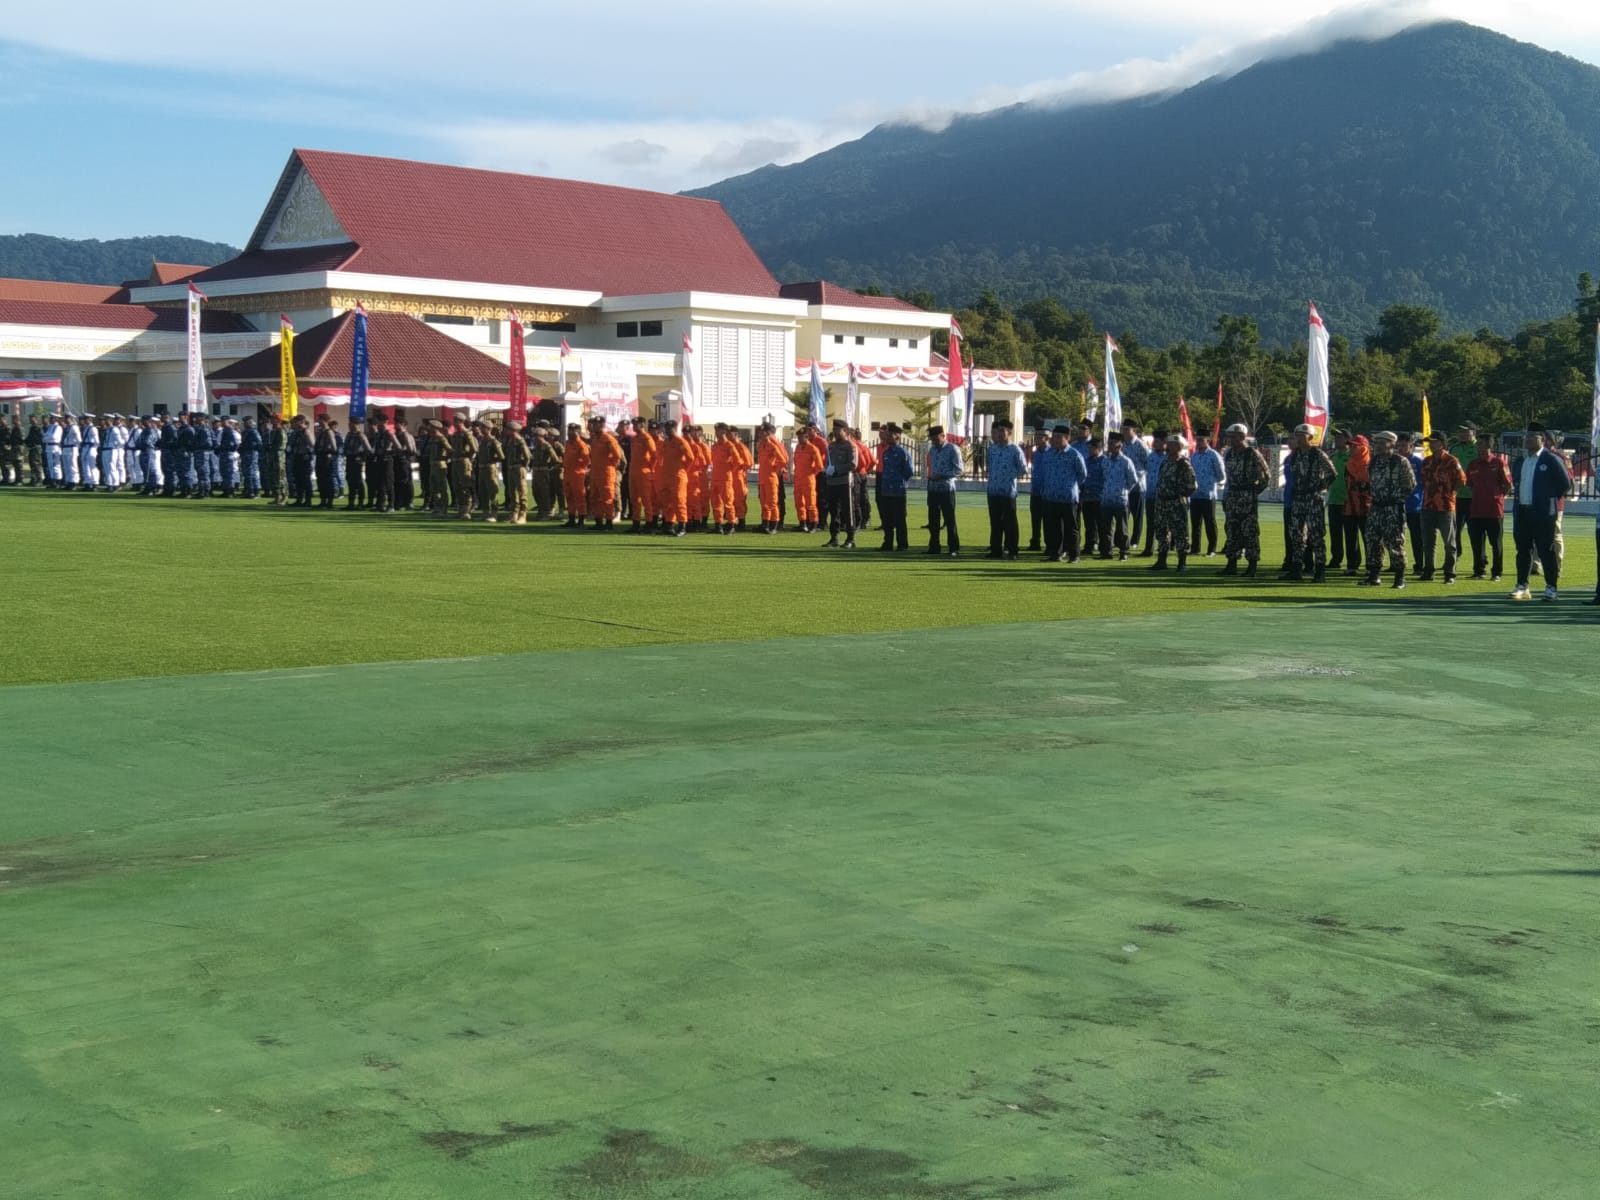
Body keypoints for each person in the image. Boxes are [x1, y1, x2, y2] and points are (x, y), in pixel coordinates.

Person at [1510, 425, 1571, 601]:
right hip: (1523, 511)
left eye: (1532, 437)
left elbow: (1565, 483)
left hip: (1543, 513)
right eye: (1526, 437)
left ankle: (1551, 587)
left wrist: (1547, 499)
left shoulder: (1550, 459)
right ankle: (1522, 585)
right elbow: (1516, 481)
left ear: (1542, 439)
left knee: (1546, 550)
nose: (1527, 440)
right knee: (1522, 549)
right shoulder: (1521, 460)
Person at [1360, 431, 1415, 589]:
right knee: (1372, 541)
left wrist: (1397, 499)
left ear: (1391, 444)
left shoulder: (1400, 461)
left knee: (1395, 542)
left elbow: (1410, 485)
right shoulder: (1374, 461)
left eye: (1381, 443)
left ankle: (1399, 578)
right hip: (1376, 506)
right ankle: (1374, 575)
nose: (1377, 446)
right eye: (1376, 443)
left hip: (1392, 507)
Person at [1282, 425, 1335, 582]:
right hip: (1298, 499)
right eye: (1296, 435)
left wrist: (1321, 486)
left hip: (1313, 498)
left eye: (1302, 435)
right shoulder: (1294, 455)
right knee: (1296, 535)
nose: (1298, 438)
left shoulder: (1317, 454)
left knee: (1316, 535)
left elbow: (1332, 473)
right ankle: (1296, 568)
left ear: (1310, 438)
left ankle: (1320, 571)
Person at [1218, 424, 1271, 577]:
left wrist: (1254, 491)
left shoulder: (1252, 453)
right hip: (1232, 495)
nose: (1230, 439)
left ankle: (1252, 565)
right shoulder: (1229, 454)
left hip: (1247, 497)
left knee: (1250, 532)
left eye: (1233, 436)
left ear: (1242, 437)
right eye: (1229, 436)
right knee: (1231, 530)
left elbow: (1266, 476)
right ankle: (1231, 563)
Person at [1418, 430, 1466, 583]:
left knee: (1449, 543)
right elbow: (1422, 479)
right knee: (1428, 542)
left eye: (1434, 442)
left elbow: (1461, 480)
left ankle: (1449, 573)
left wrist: (1450, 492)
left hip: (1445, 507)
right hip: (1428, 505)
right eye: (1430, 442)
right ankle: (1428, 570)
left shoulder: (1451, 461)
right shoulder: (1427, 461)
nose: (1431, 445)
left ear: (1442, 443)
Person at [1465, 431, 1512, 581]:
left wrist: (1497, 496)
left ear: (1488, 446)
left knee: (1496, 543)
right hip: (1476, 509)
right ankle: (1479, 570)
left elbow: (1508, 484)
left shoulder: (1499, 463)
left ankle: (1497, 572)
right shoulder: (1473, 464)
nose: (1477, 447)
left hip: (1494, 510)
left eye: (1480, 444)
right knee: (1476, 542)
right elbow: (1470, 484)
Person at [1150, 431, 1196, 570]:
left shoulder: (1183, 463)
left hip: (1176, 502)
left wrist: (1180, 494)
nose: (1168, 446)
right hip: (1162, 502)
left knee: (1180, 532)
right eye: (1168, 443)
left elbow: (1192, 485)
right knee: (1161, 531)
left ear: (1179, 446)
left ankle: (1182, 562)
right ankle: (1162, 560)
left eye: (1171, 444)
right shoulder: (1165, 462)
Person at [982, 420, 1028, 560]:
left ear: (1009, 433)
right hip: (993, 490)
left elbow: (1023, 469)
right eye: (999, 430)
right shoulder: (992, 449)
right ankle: (996, 549)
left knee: (1010, 523)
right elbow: (989, 466)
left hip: (1008, 491)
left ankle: (1012, 549)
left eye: (1003, 431)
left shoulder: (1015, 450)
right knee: (995, 522)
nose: (1000, 433)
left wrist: (1009, 475)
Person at [1097, 431, 1141, 559]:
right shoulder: (1105, 461)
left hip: (1120, 499)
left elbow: (1133, 480)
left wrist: (1125, 490)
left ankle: (1124, 552)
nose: (1109, 446)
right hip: (1106, 498)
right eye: (1108, 443)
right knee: (1105, 529)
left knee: (1122, 529)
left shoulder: (1126, 461)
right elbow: (1102, 477)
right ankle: (1106, 552)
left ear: (1119, 445)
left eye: (1112, 443)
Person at [924, 424, 963, 558]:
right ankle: (934, 546)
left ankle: (953, 547)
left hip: (946, 489)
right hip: (933, 488)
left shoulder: (953, 449)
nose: (934, 441)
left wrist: (942, 474)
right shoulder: (933, 450)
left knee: (949, 519)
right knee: (933, 519)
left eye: (936, 438)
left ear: (942, 436)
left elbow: (959, 470)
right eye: (932, 439)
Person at [875, 423, 914, 551]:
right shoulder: (885, 453)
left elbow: (909, 471)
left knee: (900, 519)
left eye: (890, 434)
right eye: (886, 434)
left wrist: (900, 482)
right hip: (886, 490)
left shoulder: (903, 452)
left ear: (897, 437)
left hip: (898, 490)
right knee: (887, 519)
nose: (886, 436)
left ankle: (902, 544)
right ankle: (888, 543)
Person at [821, 421, 859, 548]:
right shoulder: (831, 446)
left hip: (845, 482)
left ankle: (850, 538)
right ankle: (834, 538)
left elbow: (853, 464)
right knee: (833, 511)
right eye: (834, 429)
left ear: (845, 431)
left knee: (848, 511)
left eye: (838, 430)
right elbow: (827, 462)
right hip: (832, 482)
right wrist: (827, 469)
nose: (836, 432)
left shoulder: (850, 446)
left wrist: (837, 469)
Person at [1340, 433, 1371, 575]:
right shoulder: (1349, 464)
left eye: (1355, 446)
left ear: (1363, 447)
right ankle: (1352, 565)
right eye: (1350, 446)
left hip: (1367, 506)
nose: (1351, 448)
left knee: (1369, 537)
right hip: (1350, 505)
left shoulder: (1372, 464)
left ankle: (1372, 565)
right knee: (1351, 537)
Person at [1188, 432, 1224, 556]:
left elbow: (1221, 474)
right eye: (1197, 440)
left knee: (1210, 522)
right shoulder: (1194, 456)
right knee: (1195, 523)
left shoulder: (1214, 455)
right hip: (1195, 494)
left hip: (1208, 494)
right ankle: (1195, 548)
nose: (1198, 442)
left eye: (1201, 440)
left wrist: (1212, 481)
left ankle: (1211, 549)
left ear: (1207, 440)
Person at [587, 415, 625, 529]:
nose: (595, 426)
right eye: (594, 424)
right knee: (595, 498)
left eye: (598, 424)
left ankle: (608, 522)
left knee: (607, 498)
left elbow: (617, 455)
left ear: (603, 425)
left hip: (606, 473)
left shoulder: (608, 439)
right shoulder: (594, 439)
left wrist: (610, 466)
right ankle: (598, 521)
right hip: (595, 473)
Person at [1396, 432, 1426, 571]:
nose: (1401, 448)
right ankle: (1396, 563)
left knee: (1417, 537)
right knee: (1395, 537)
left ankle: (1419, 564)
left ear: (1411, 446)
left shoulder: (1418, 462)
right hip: (1397, 504)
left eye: (1404, 445)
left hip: (1415, 505)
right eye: (1399, 445)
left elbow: (1425, 482)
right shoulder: (1394, 461)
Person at [656, 419, 691, 536]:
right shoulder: (666, 442)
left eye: (670, 429)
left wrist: (682, 469)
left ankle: (682, 526)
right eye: (666, 429)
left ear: (675, 429)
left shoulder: (680, 442)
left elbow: (690, 458)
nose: (667, 431)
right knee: (667, 501)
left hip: (677, 477)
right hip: (667, 476)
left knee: (679, 501)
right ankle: (669, 525)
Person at [1448, 420, 1478, 554]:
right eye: (1460, 431)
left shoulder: (1479, 447)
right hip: (1457, 496)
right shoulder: (1454, 448)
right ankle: (1454, 557)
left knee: (1475, 532)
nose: (1462, 434)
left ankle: (1479, 562)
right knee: (1454, 530)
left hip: (1474, 497)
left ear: (1473, 432)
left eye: (1466, 431)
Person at [1120, 420, 1150, 549]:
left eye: (1127, 429)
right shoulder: (1122, 445)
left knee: (1137, 515)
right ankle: (1122, 539)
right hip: (1124, 485)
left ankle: (1135, 540)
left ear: (1134, 431)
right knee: (1123, 514)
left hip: (1138, 486)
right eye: (1123, 429)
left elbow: (1148, 464)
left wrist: (1139, 476)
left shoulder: (1141, 446)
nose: (1125, 432)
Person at [1326, 430, 1353, 571]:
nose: (1336, 440)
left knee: (1350, 534)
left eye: (1340, 438)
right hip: (1333, 500)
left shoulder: (1352, 456)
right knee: (1335, 533)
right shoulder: (1333, 456)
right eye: (1335, 438)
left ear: (1348, 440)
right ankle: (1336, 558)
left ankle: (1353, 562)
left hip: (1348, 501)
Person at [755, 422, 789, 534]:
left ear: (768, 433)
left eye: (762, 432)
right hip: (763, 478)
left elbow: (783, 460)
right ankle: (765, 523)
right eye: (759, 432)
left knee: (773, 502)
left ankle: (774, 525)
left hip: (771, 478)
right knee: (764, 502)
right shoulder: (761, 445)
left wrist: (776, 468)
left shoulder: (773, 445)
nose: (760, 434)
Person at [791, 424, 825, 533]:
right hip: (798, 479)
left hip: (808, 480)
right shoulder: (798, 447)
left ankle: (814, 524)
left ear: (806, 437)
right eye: (798, 437)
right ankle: (802, 523)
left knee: (811, 503)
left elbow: (819, 466)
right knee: (799, 502)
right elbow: (796, 462)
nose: (799, 439)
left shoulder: (813, 449)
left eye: (801, 437)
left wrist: (811, 474)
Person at [627, 419, 659, 532]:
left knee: (646, 499)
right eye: (633, 424)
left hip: (643, 472)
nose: (634, 427)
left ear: (641, 425)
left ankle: (649, 523)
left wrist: (650, 467)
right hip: (634, 472)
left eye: (636, 425)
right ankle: (636, 523)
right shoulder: (635, 438)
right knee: (634, 499)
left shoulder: (647, 438)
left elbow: (654, 455)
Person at [1138, 431, 1166, 556]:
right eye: (1154, 441)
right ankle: (1148, 548)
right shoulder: (1151, 456)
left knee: (1164, 524)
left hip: (1164, 496)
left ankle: (1164, 548)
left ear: (1165, 443)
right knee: (1150, 523)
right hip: (1150, 494)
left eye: (1158, 441)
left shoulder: (1169, 457)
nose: (1155, 443)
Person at [470, 419, 504, 521]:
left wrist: (491, 460)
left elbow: (501, 456)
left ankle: (494, 514)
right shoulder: (481, 440)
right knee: (482, 491)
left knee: (492, 491)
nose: (480, 429)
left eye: (483, 427)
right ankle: (485, 512)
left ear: (488, 429)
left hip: (490, 468)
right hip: (481, 468)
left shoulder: (493, 441)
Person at [710, 423, 739, 534]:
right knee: (715, 502)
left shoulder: (729, 446)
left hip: (725, 478)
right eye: (716, 431)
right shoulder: (715, 446)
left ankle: (731, 525)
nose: (717, 433)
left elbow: (737, 461)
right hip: (715, 478)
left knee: (728, 502)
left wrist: (730, 471)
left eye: (719, 431)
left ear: (724, 432)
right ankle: (718, 525)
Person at [448, 417, 478, 520]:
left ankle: (466, 510)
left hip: (463, 461)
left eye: (455, 421)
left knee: (465, 486)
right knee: (457, 486)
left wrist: (467, 457)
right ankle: (460, 508)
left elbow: (473, 448)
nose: (454, 423)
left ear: (460, 421)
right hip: (455, 461)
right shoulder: (456, 434)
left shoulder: (466, 433)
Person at [1026, 426, 1050, 551]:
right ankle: (1035, 542)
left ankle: (1049, 544)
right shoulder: (1035, 453)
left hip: (1047, 492)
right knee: (1035, 519)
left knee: (1048, 521)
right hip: (1035, 491)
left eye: (1039, 437)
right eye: (1036, 436)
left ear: (1046, 438)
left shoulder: (1051, 453)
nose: (1036, 439)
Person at [560, 423, 589, 527]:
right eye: (569, 430)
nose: (570, 432)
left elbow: (586, 460)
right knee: (569, 496)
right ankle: (571, 518)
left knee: (579, 496)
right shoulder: (568, 443)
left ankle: (581, 519)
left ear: (578, 432)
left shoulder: (581, 445)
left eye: (573, 430)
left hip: (577, 473)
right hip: (568, 473)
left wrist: (580, 468)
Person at [1080, 437, 1104, 552]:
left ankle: (1104, 545)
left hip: (1100, 497)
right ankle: (1090, 544)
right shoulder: (1086, 460)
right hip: (1087, 497)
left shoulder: (1104, 461)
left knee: (1102, 524)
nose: (1089, 450)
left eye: (1091, 448)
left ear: (1097, 448)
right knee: (1089, 524)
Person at [392, 416, 417, 510]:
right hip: (398, 460)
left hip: (404, 460)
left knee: (405, 481)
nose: (394, 425)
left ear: (402, 425)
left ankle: (407, 502)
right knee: (398, 482)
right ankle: (399, 501)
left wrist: (401, 451)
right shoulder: (398, 434)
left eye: (396, 423)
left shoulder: (405, 435)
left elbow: (411, 449)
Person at [313, 416, 339, 508]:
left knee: (328, 480)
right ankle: (323, 500)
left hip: (327, 458)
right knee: (320, 479)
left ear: (325, 421)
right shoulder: (321, 432)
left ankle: (329, 501)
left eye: (320, 420)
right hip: (320, 456)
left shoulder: (329, 432)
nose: (319, 421)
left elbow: (334, 447)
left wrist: (330, 454)